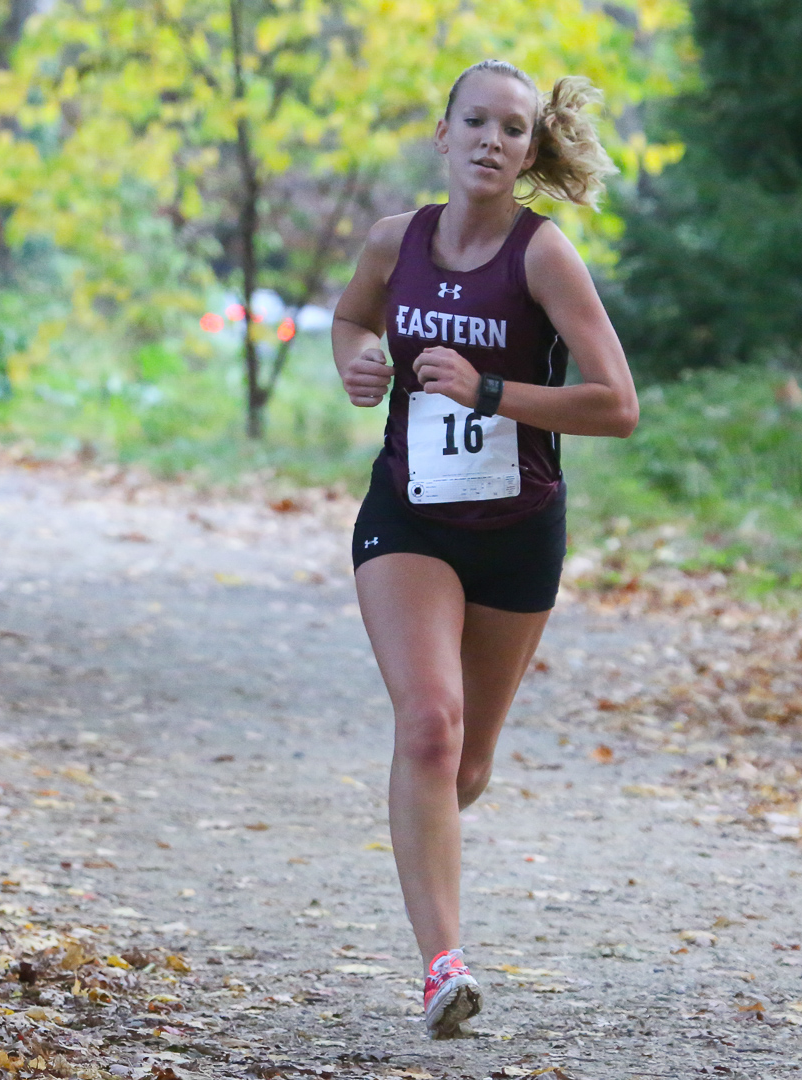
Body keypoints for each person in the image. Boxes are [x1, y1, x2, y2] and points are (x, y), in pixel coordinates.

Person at [329, 60, 639, 1038]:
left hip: (516, 532)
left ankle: (434, 838)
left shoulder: (544, 258)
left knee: (463, 771)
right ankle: (443, 968)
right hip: (410, 518)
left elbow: (617, 406)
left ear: (529, 153)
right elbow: (347, 317)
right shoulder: (396, 243)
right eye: (476, 121)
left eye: (513, 129)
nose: (491, 140)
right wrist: (356, 361)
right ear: (443, 131)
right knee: (428, 724)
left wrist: (492, 391)